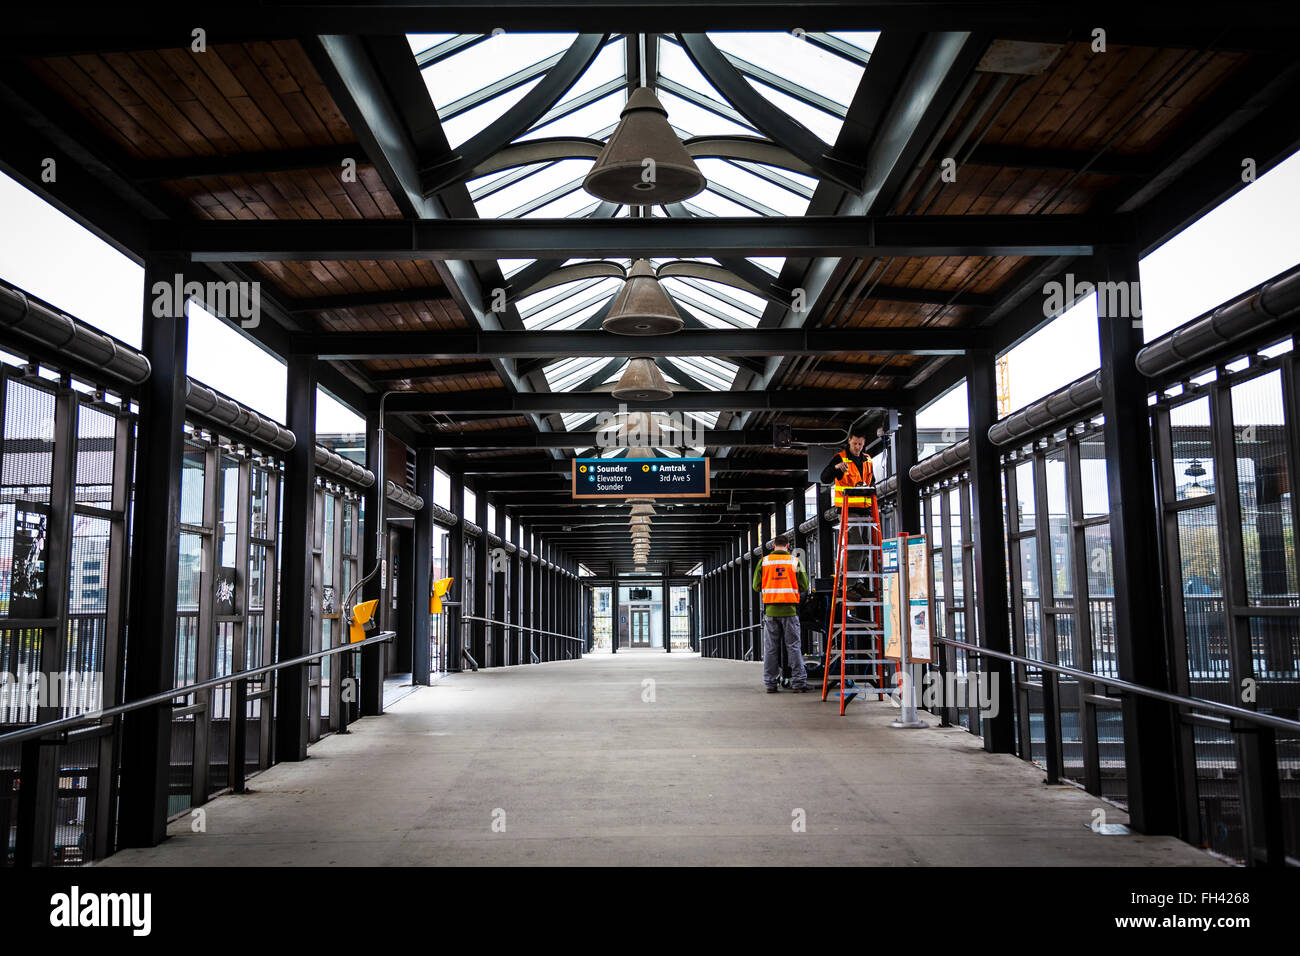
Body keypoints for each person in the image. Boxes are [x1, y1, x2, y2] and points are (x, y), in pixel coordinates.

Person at [820, 423, 875, 598]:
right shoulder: (840, 458)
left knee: (865, 547)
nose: (857, 447)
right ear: (849, 441)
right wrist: (836, 468)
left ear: (864, 443)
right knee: (855, 544)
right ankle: (848, 584)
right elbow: (824, 477)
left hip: (865, 510)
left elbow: (871, 481)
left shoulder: (867, 460)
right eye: (855, 444)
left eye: (860, 444)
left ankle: (858, 582)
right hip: (848, 509)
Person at [752, 534, 809, 693]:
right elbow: (804, 585)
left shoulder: (764, 562)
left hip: (770, 611)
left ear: (773, 546)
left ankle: (770, 684)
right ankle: (798, 682)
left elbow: (756, 586)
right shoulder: (795, 561)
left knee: (770, 648)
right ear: (788, 545)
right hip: (790, 611)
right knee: (793, 647)